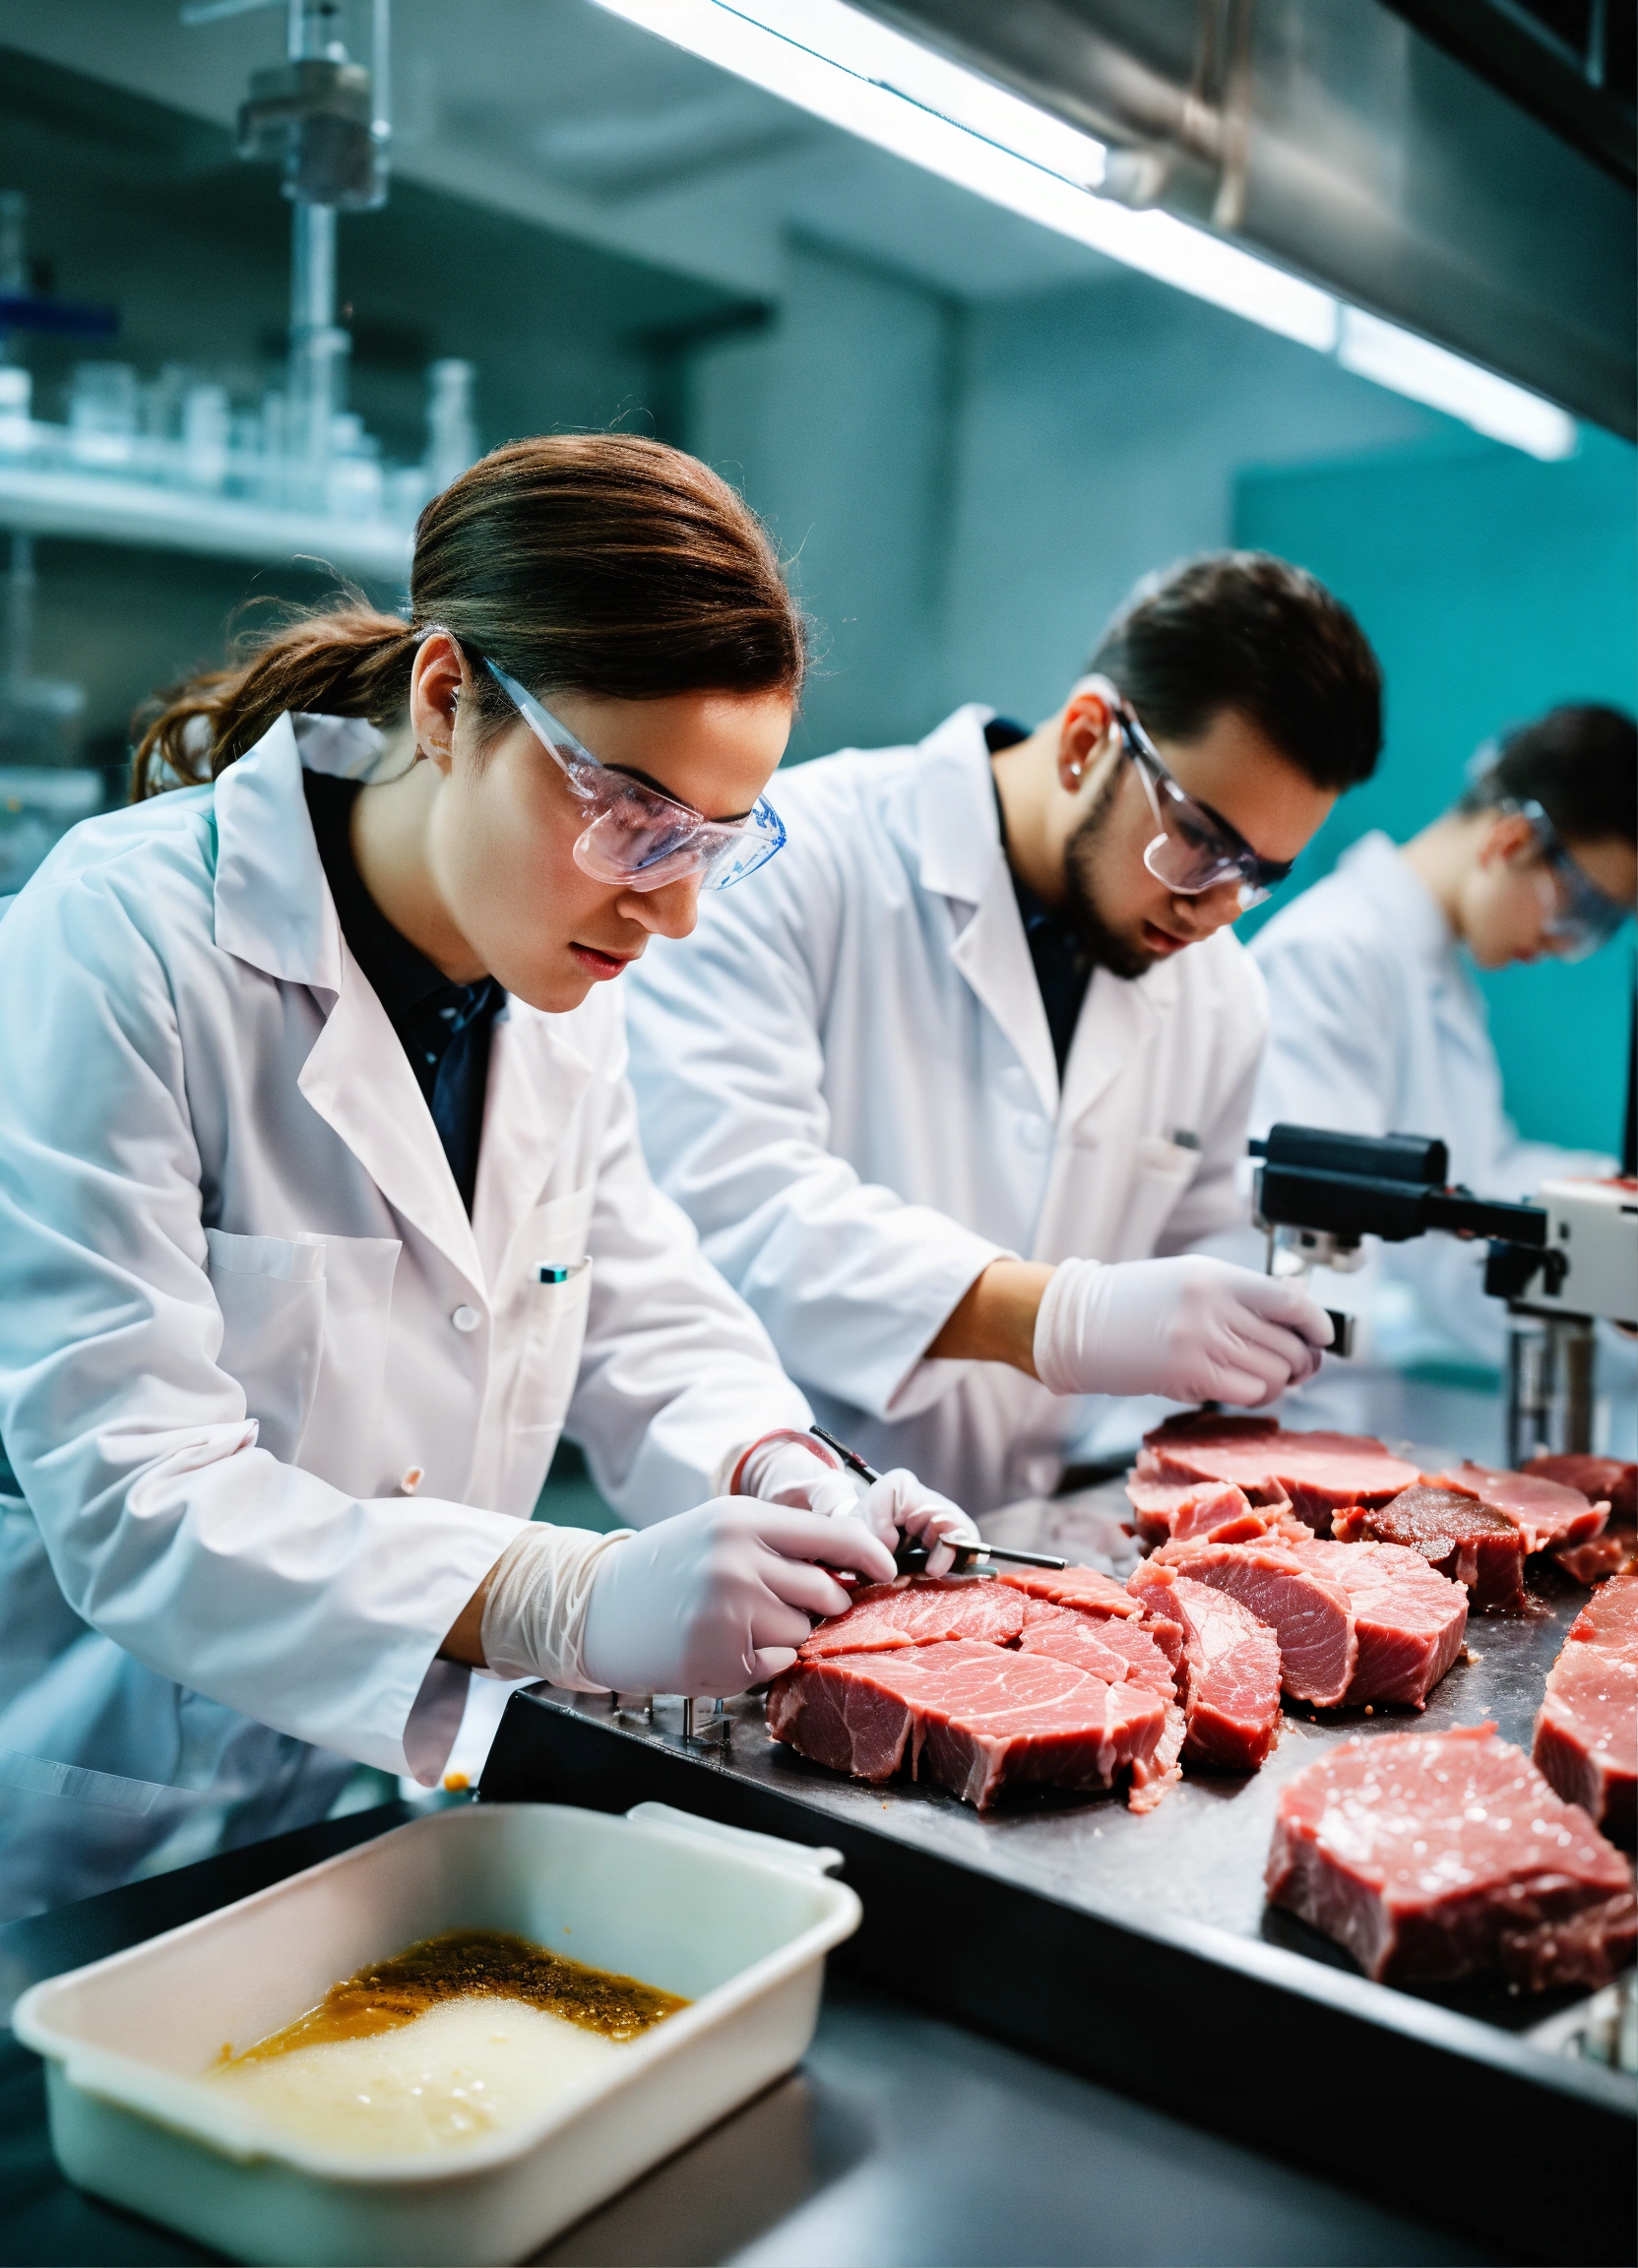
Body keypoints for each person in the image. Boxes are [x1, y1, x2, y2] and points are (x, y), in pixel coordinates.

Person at [0, 435, 968, 1922]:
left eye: (715, 840)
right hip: (82, 1804)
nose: (679, 908)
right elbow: (137, 1491)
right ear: (449, 700)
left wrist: (783, 1473)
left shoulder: (562, 979)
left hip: (363, 1798)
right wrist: (554, 1595)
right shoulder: (121, 943)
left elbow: (637, 1308)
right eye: (634, 818)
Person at [624, 552, 1383, 1514]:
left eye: (1258, 875)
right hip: (767, 1522)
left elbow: (1201, 1255)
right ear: (1084, 740)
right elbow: (725, 1207)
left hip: (1030, 1542)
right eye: (1198, 840)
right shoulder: (798, 858)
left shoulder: (1218, 990)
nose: (1216, 909)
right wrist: (1056, 1317)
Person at [1250, 704, 1637, 1374]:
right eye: (1581, 911)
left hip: (1346, 1393)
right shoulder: (1333, 955)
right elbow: (1321, 1252)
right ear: (1511, 841)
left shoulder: (1436, 976)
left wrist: (1607, 1200)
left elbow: (1475, 1178)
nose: (1562, 944)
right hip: (1281, 1401)